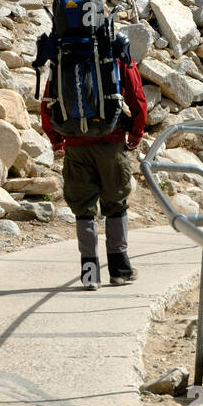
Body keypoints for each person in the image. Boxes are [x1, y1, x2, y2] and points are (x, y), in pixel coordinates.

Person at [39, 24, 148, 289]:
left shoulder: (65, 54)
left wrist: (57, 141)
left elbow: (47, 104)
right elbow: (136, 97)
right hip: (111, 142)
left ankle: (89, 274)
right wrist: (136, 132)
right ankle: (120, 269)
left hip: (76, 144)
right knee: (116, 203)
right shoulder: (115, 49)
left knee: (83, 209)